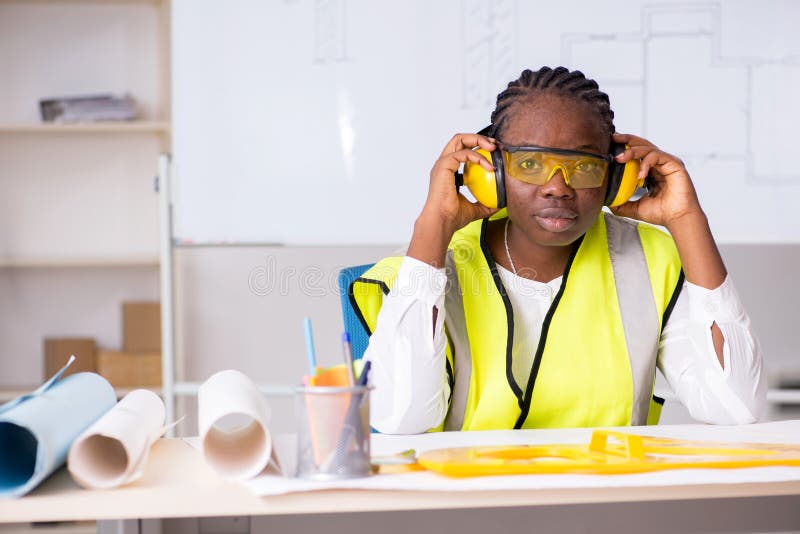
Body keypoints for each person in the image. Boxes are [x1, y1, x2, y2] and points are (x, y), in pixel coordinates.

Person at [353, 66, 765, 434]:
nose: (557, 187)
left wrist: (688, 219)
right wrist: (434, 225)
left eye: (584, 166)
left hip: (606, 503)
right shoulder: (430, 268)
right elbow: (400, 419)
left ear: (615, 178)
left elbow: (736, 408)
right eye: (530, 163)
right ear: (488, 173)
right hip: (467, 506)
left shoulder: (651, 260)